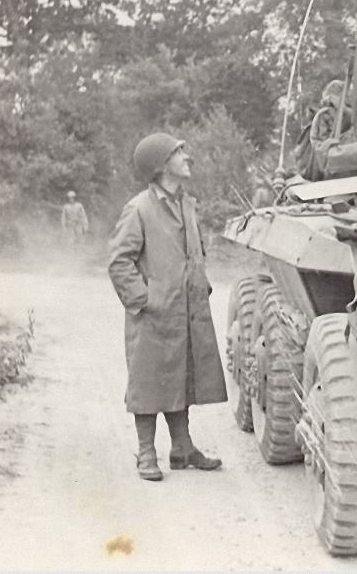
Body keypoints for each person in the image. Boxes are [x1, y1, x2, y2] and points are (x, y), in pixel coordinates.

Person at [107, 132, 227, 482]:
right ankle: (146, 453)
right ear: (160, 166)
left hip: (186, 310)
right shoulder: (139, 208)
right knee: (147, 380)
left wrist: (200, 284)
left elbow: (195, 250)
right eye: (178, 152)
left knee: (182, 375)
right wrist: (144, 299)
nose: (187, 157)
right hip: (153, 315)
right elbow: (119, 261)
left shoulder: (186, 203)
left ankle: (182, 448)